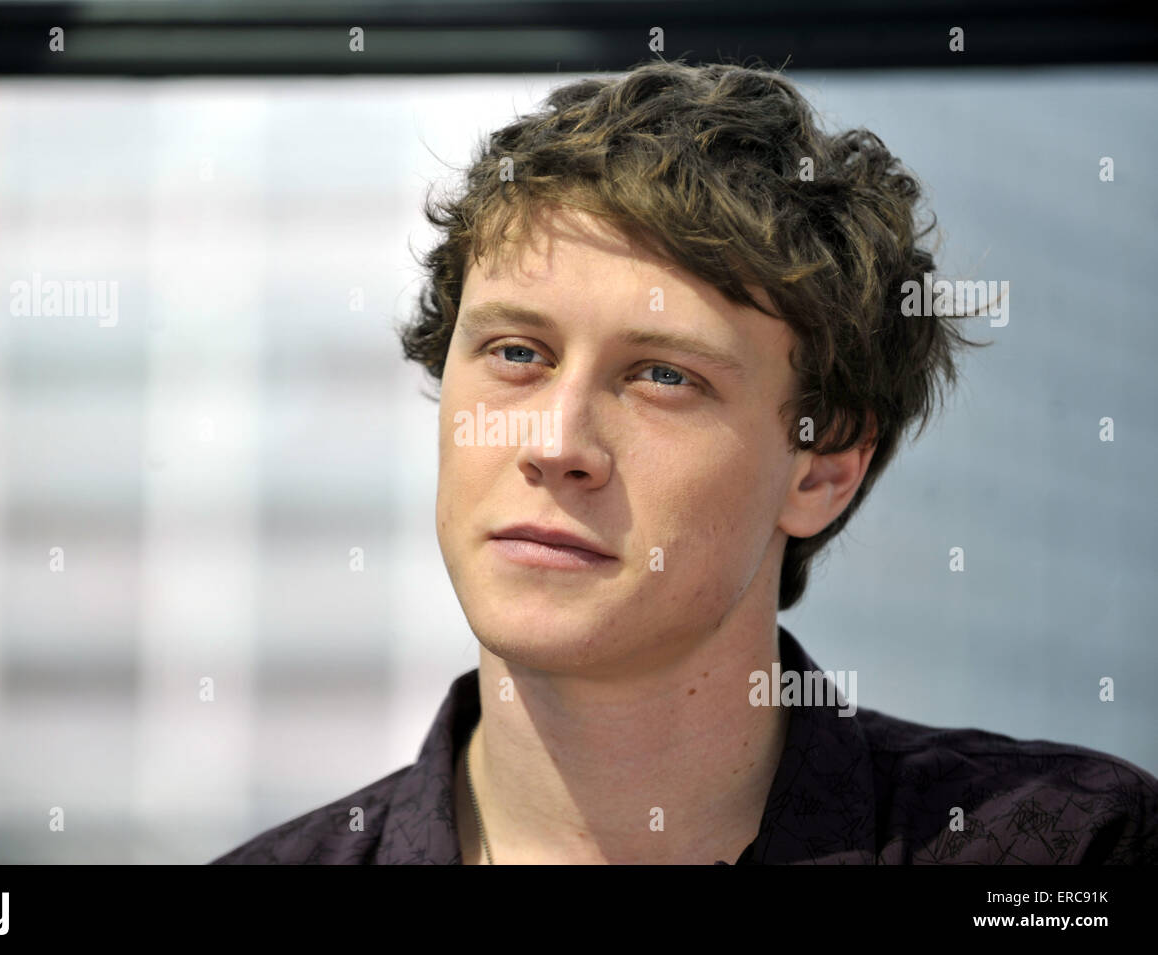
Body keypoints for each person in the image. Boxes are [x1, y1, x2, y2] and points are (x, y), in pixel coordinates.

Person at [213, 59, 1156, 864]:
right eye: (516, 354)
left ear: (822, 467)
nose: (554, 445)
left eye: (662, 375)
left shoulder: (1066, 851)